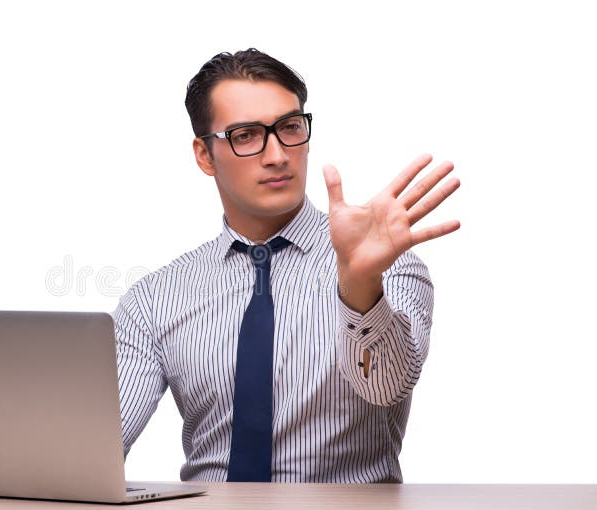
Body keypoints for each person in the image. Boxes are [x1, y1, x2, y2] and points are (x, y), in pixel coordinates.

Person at [112, 48, 460, 483]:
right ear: (204, 156)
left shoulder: (389, 265)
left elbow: (387, 385)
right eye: (246, 135)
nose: (277, 155)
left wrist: (359, 282)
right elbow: (92, 450)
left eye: (290, 128)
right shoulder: (154, 299)